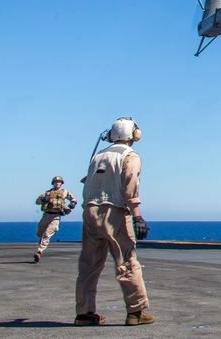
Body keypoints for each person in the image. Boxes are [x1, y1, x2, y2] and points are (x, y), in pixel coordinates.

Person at [74, 117, 153, 327]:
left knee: (88, 265)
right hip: (114, 212)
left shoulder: (98, 155)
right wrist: (137, 216)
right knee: (127, 261)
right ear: (134, 134)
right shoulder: (130, 156)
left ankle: (84, 313)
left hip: (90, 212)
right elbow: (130, 188)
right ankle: (136, 312)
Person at [34, 176, 77, 262]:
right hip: (46, 215)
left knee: (47, 234)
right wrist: (43, 200)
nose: (57, 183)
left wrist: (72, 203)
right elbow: (37, 202)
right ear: (53, 183)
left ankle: (39, 251)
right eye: (56, 182)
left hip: (56, 216)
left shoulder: (65, 192)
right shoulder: (47, 193)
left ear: (61, 183)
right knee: (40, 233)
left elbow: (74, 199)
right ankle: (42, 241)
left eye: (59, 182)